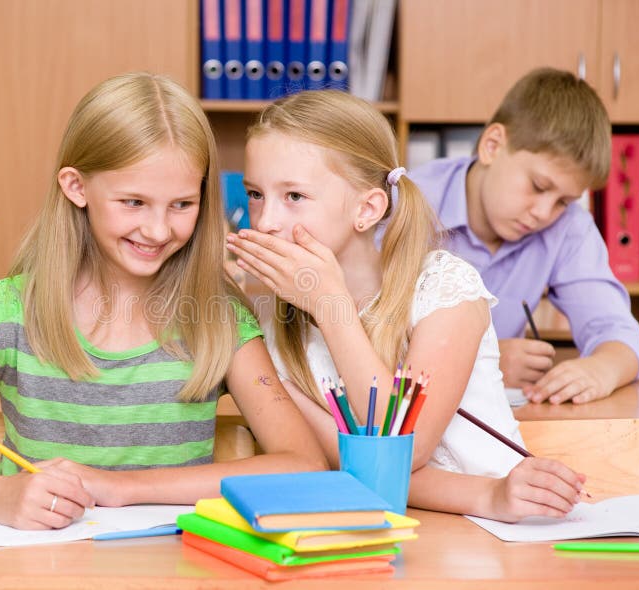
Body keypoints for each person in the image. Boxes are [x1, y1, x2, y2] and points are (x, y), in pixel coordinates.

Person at [0, 73, 326, 530]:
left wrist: (121, 487)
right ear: (76, 187)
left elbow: (303, 465)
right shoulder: (4, 313)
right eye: (134, 202)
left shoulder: (219, 319)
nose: (158, 229)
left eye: (182, 204)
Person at [226, 89, 585, 522]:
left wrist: (332, 307)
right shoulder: (275, 327)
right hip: (405, 525)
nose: (265, 222)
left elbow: (403, 445)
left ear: (367, 208)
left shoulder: (444, 288)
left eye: (294, 197)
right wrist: (484, 496)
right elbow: (365, 471)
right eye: (255, 194)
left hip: (497, 528)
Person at [406, 68, 639, 405]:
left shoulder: (568, 228)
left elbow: (618, 331)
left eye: (563, 201)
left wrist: (602, 369)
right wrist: (476, 360)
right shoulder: (407, 205)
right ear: (492, 146)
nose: (544, 213)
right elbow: (358, 339)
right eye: (539, 186)